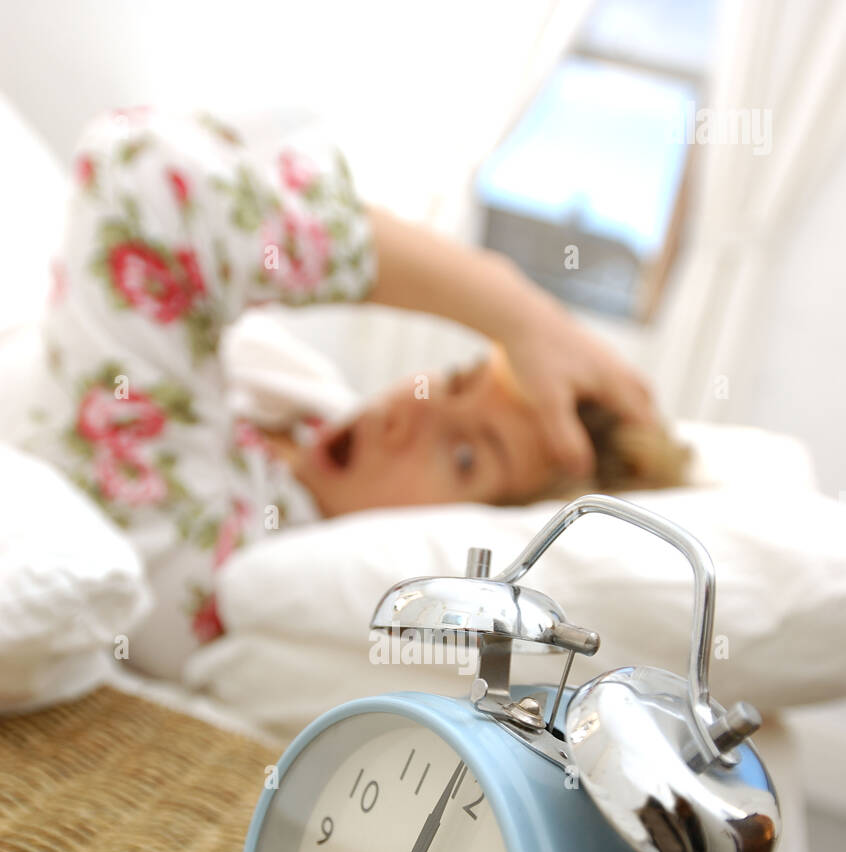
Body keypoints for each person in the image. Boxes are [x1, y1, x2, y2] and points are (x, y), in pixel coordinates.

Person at [29, 106, 681, 675]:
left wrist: (513, 308)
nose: (406, 413)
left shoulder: (207, 561)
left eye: (464, 458)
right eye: (453, 383)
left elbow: (137, 176)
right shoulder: (311, 419)